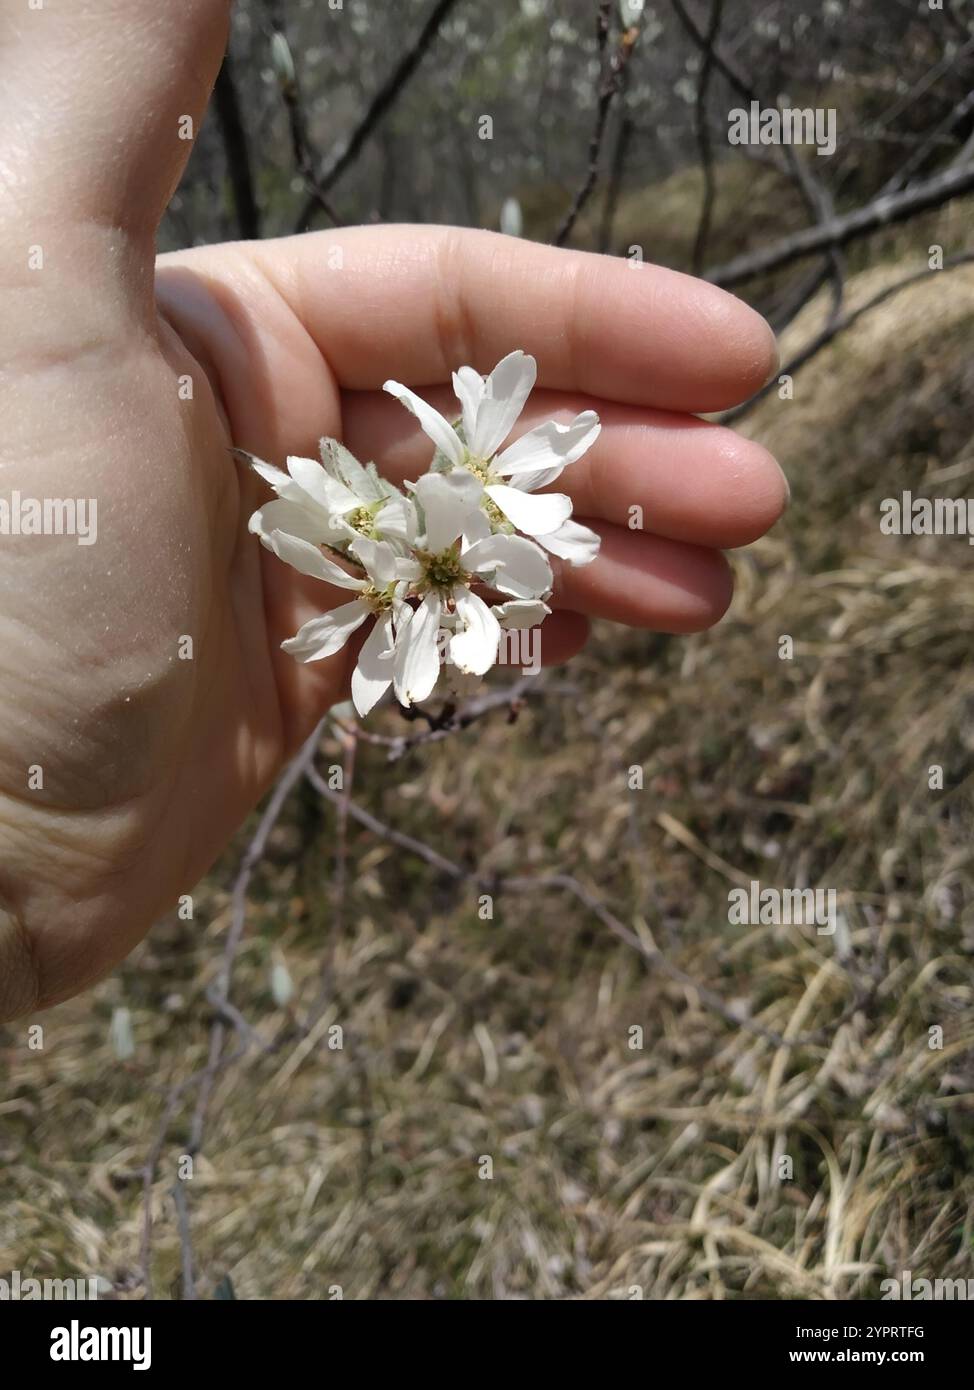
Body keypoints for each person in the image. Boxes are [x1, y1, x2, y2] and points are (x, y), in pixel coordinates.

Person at [0, 1, 787, 1019]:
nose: (445, 569)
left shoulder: (446, 541)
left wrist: (24, 863)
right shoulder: (399, 550)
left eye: (445, 568)